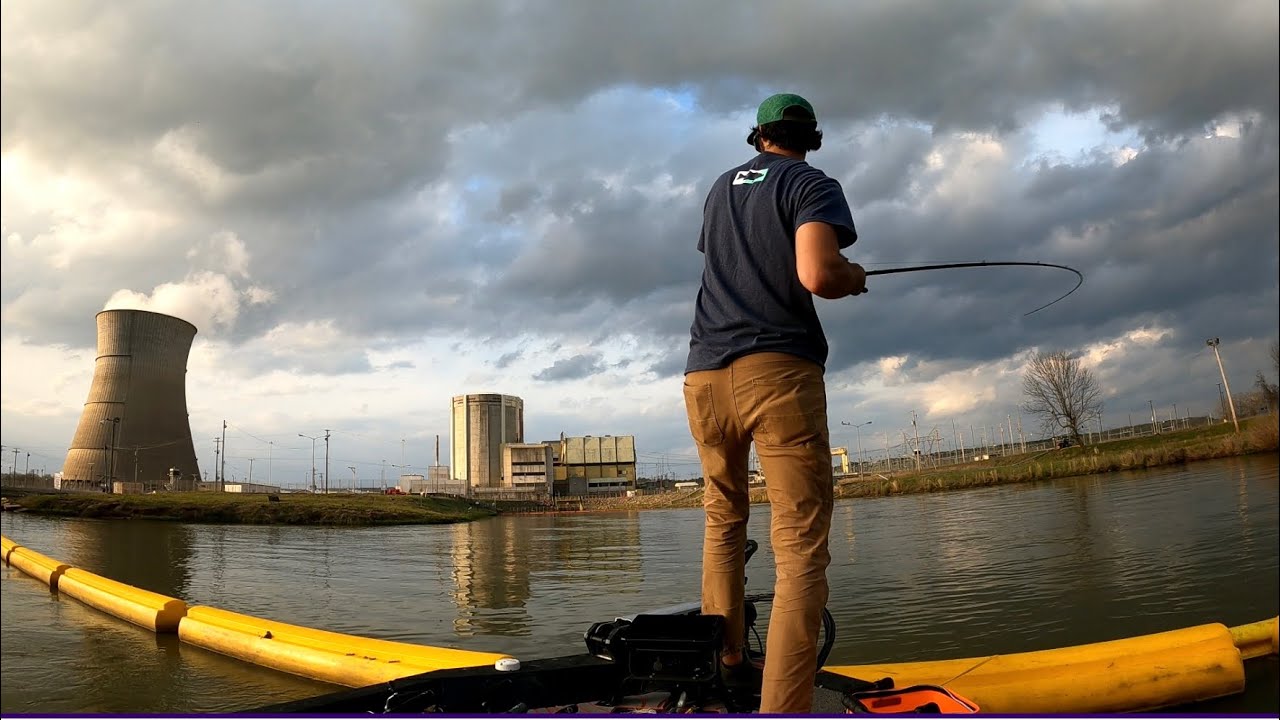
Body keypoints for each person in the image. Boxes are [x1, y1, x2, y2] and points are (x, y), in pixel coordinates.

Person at [682, 92, 867, 714]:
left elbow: (732, 264)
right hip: (778, 372)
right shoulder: (810, 183)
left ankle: (727, 661)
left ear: (756, 135)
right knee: (800, 546)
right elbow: (816, 274)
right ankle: (783, 708)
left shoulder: (718, 190)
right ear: (809, 136)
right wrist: (853, 275)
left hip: (704, 376)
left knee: (723, 520)